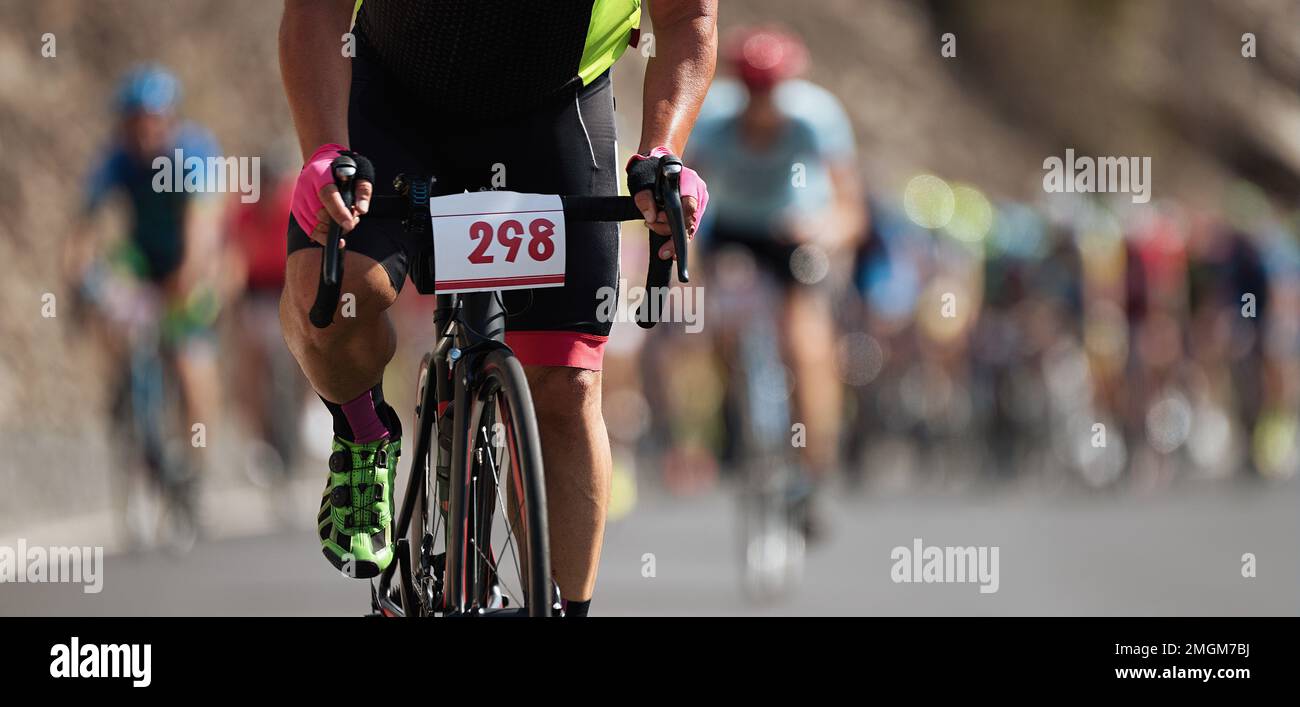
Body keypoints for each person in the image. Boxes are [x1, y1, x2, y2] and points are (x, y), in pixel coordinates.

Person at [278, 0, 715, 617]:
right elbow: (316, 10)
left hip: (554, 111)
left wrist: (661, 151)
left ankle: (565, 608)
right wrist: (323, 146)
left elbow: (687, 19)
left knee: (565, 386)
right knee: (334, 296)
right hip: (393, 99)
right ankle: (362, 433)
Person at [687, 27, 865, 534]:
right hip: (735, 230)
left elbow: (852, 208)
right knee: (721, 324)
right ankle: (736, 409)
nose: (763, 103)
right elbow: (685, 199)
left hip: (795, 232)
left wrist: (826, 231)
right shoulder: (716, 120)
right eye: (753, 90)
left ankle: (813, 473)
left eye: (771, 89)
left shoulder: (817, 119)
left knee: (806, 343)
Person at [65, 65, 223, 530]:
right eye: (134, 122)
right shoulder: (115, 159)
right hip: (142, 259)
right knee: (110, 309)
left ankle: (193, 468)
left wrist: (188, 279)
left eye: (152, 121)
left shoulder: (192, 152)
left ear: (170, 120)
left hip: (188, 261)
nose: (143, 132)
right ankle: (125, 387)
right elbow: (83, 227)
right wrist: (78, 281)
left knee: (191, 364)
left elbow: (203, 227)